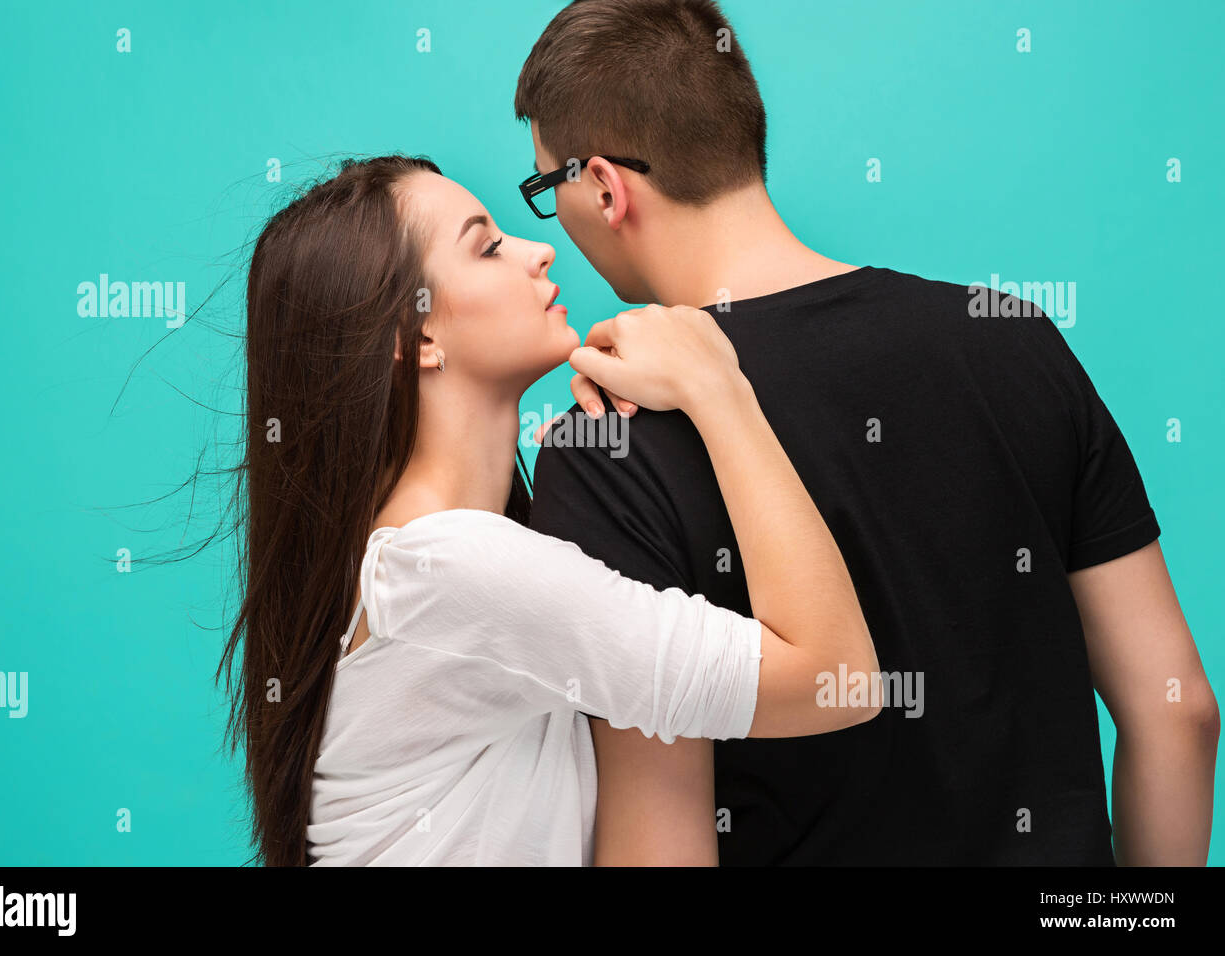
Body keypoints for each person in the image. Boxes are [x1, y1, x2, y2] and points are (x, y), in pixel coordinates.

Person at [517, 0, 1219, 865]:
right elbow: (1181, 712)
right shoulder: (1013, 335)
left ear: (602, 187)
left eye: (545, 188)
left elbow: (661, 844)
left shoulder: (607, 438)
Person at [225, 152, 881, 867]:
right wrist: (716, 387)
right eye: (488, 247)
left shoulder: (425, 565)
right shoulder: (452, 571)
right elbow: (834, 679)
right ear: (417, 337)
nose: (539, 251)